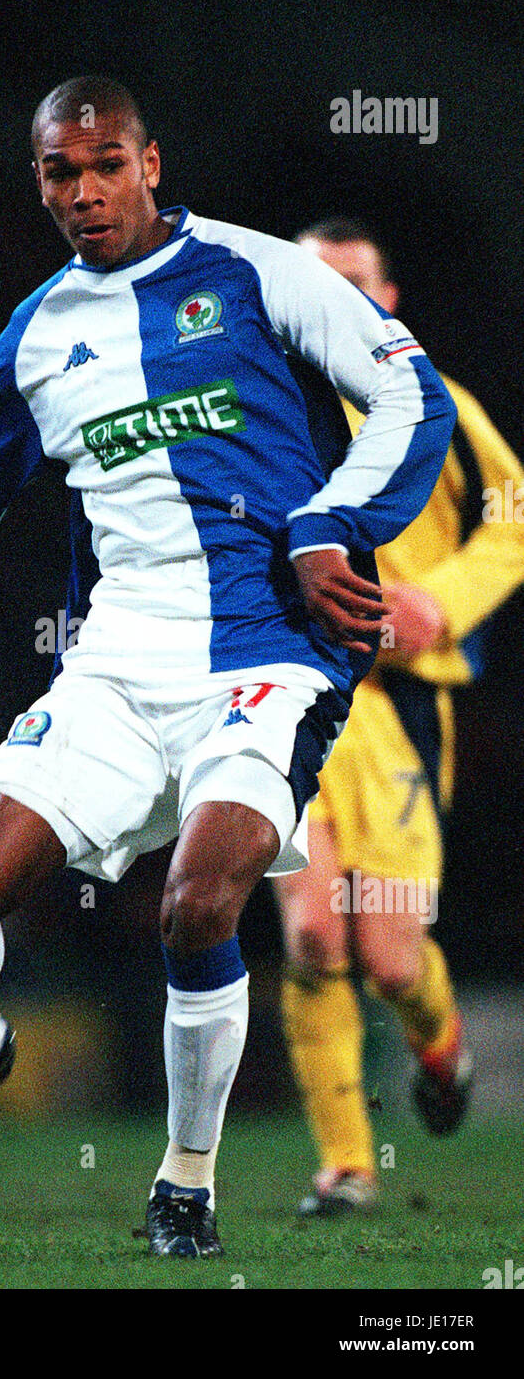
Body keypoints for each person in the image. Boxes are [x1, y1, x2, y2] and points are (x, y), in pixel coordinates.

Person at [0, 80, 456, 1258]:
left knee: (196, 898)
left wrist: (330, 520)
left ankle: (184, 1178)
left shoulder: (254, 272)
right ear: (37, 182)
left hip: (271, 653)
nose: (82, 192)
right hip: (116, 667)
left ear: (150, 163)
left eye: (103, 166)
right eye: (57, 174)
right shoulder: (41, 331)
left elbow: (404, 395)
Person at [274, 216, 524, 1217]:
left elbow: (512, 511)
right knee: (310, 939)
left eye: (351, 284)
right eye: (311, 286)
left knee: (386, 956)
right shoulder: (257, 412)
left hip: (399, 709)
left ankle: (440, 1043)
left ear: (386, 302)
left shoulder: (435, 407)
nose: (332, 302)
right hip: (286, 701)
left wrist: (441, 604)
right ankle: (344, 1164)